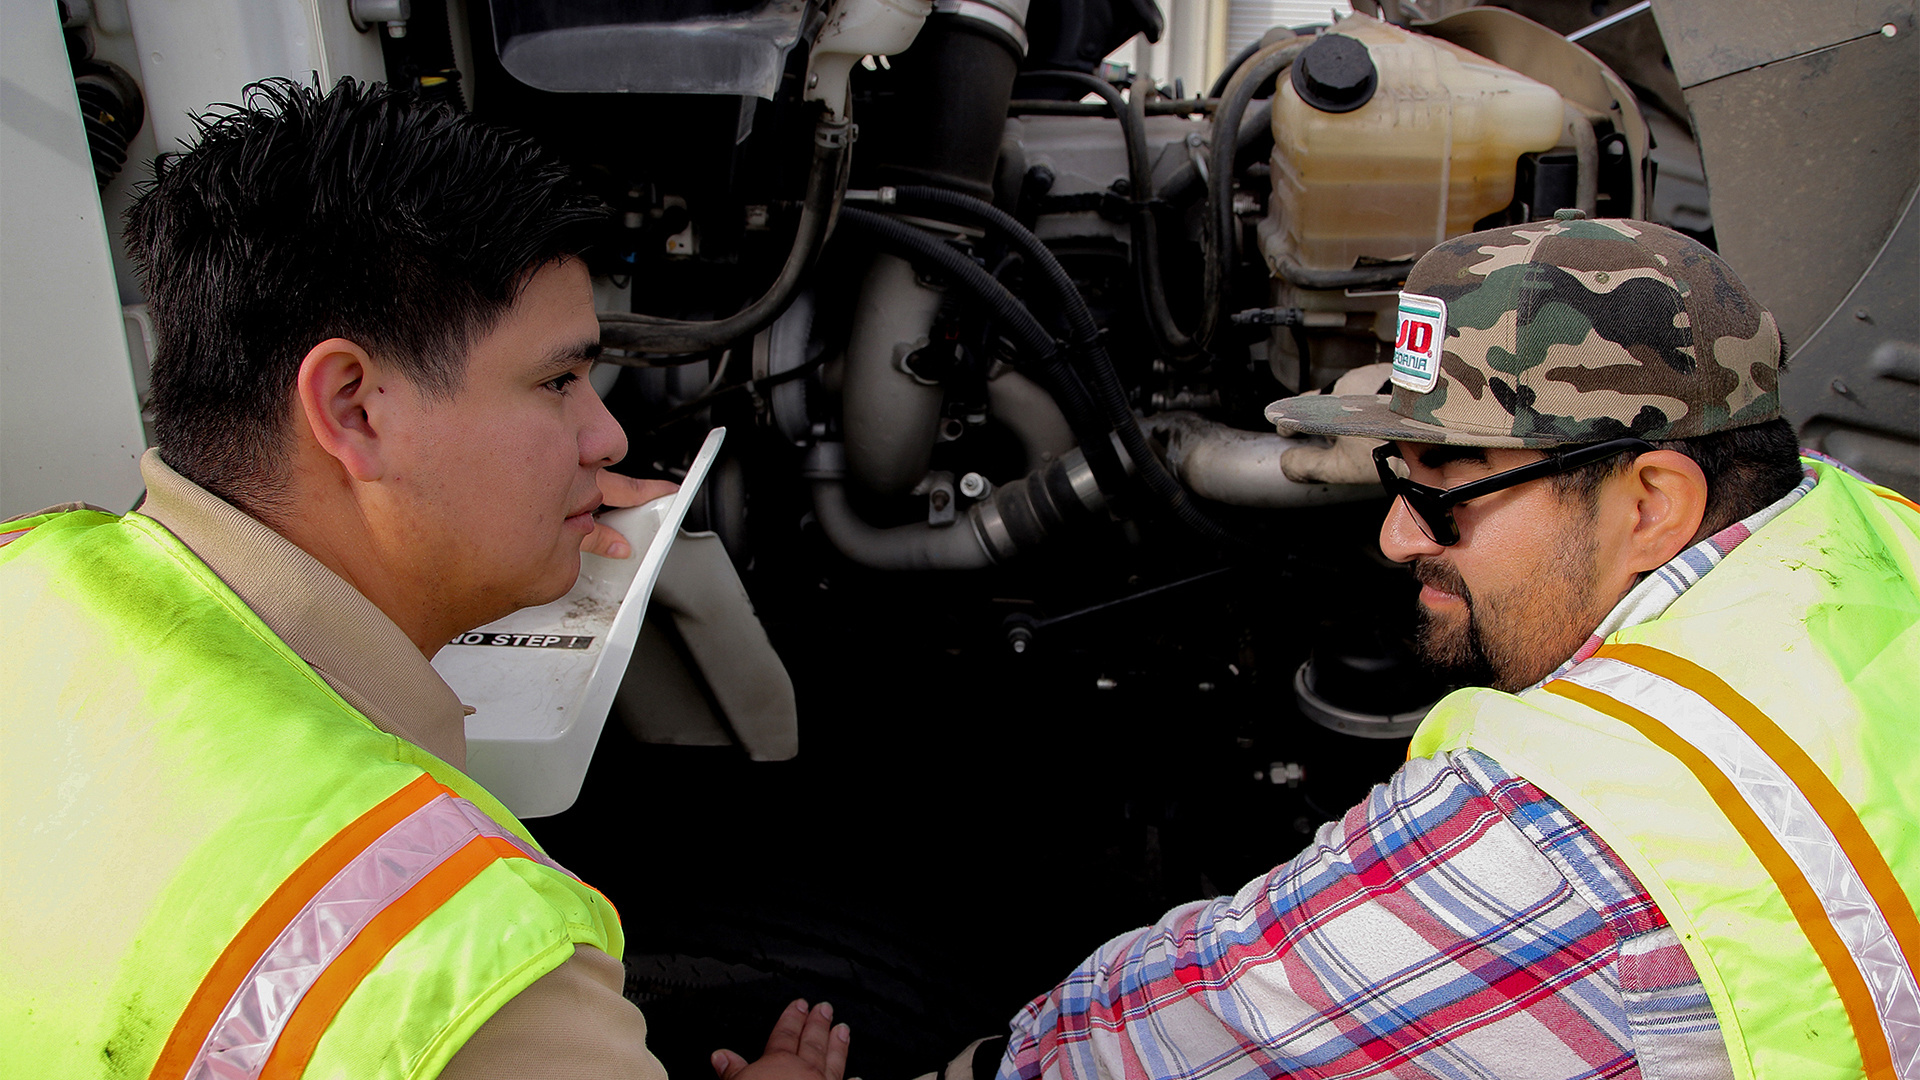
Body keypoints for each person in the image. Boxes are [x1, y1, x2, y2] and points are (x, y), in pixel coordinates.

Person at [0, 79, 849, 1080]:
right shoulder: (480, 983)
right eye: (556, 383)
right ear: (355, 407)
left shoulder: (30, 564)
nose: (608, 435)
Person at [991, 214, 1919, 1079]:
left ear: (1652, 504)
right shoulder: (1872, 524)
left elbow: (1163, 1044)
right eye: (1400, 470)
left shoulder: (1560, 844)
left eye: (1450, 486)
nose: (1398, 537)